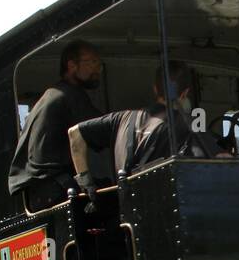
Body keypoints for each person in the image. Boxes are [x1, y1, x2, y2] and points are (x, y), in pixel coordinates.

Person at [68, 62, 220, 204]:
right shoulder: (188, 125)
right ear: (184, 93)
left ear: (155, 88)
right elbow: (220, 160)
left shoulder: (121, 119)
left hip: (127, 218)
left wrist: (86, 184)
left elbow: (75, 133)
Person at [8, 40, 104, 210]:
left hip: (40, 189)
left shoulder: (53, 94)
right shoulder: (69, 95)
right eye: (93, 62)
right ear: (72, 65)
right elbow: (103, 132)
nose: (98, 69)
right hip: (53, 188)